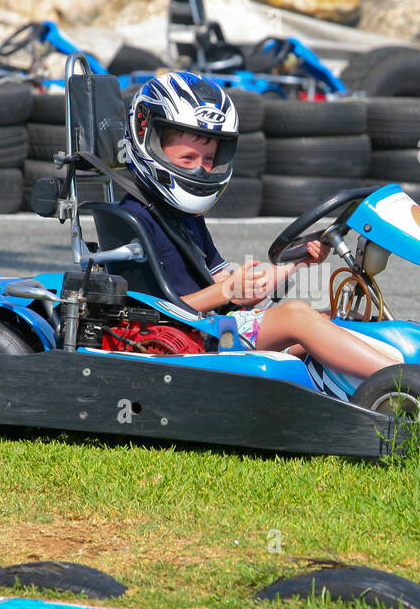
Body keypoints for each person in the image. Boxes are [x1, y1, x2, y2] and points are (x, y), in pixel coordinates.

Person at [118, 70, 404, 380]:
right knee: (296, 316)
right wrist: (226, 292)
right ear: (150, 143)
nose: (201, 170)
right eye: (188, 158)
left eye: (209, 159)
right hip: (179, 340)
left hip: (213, 327)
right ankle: (410, 380)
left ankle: (388, 382)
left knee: (339, 317)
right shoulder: (133, 218)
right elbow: (146, 311)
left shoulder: (184, 218)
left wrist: (299, 262)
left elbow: (243, 291)